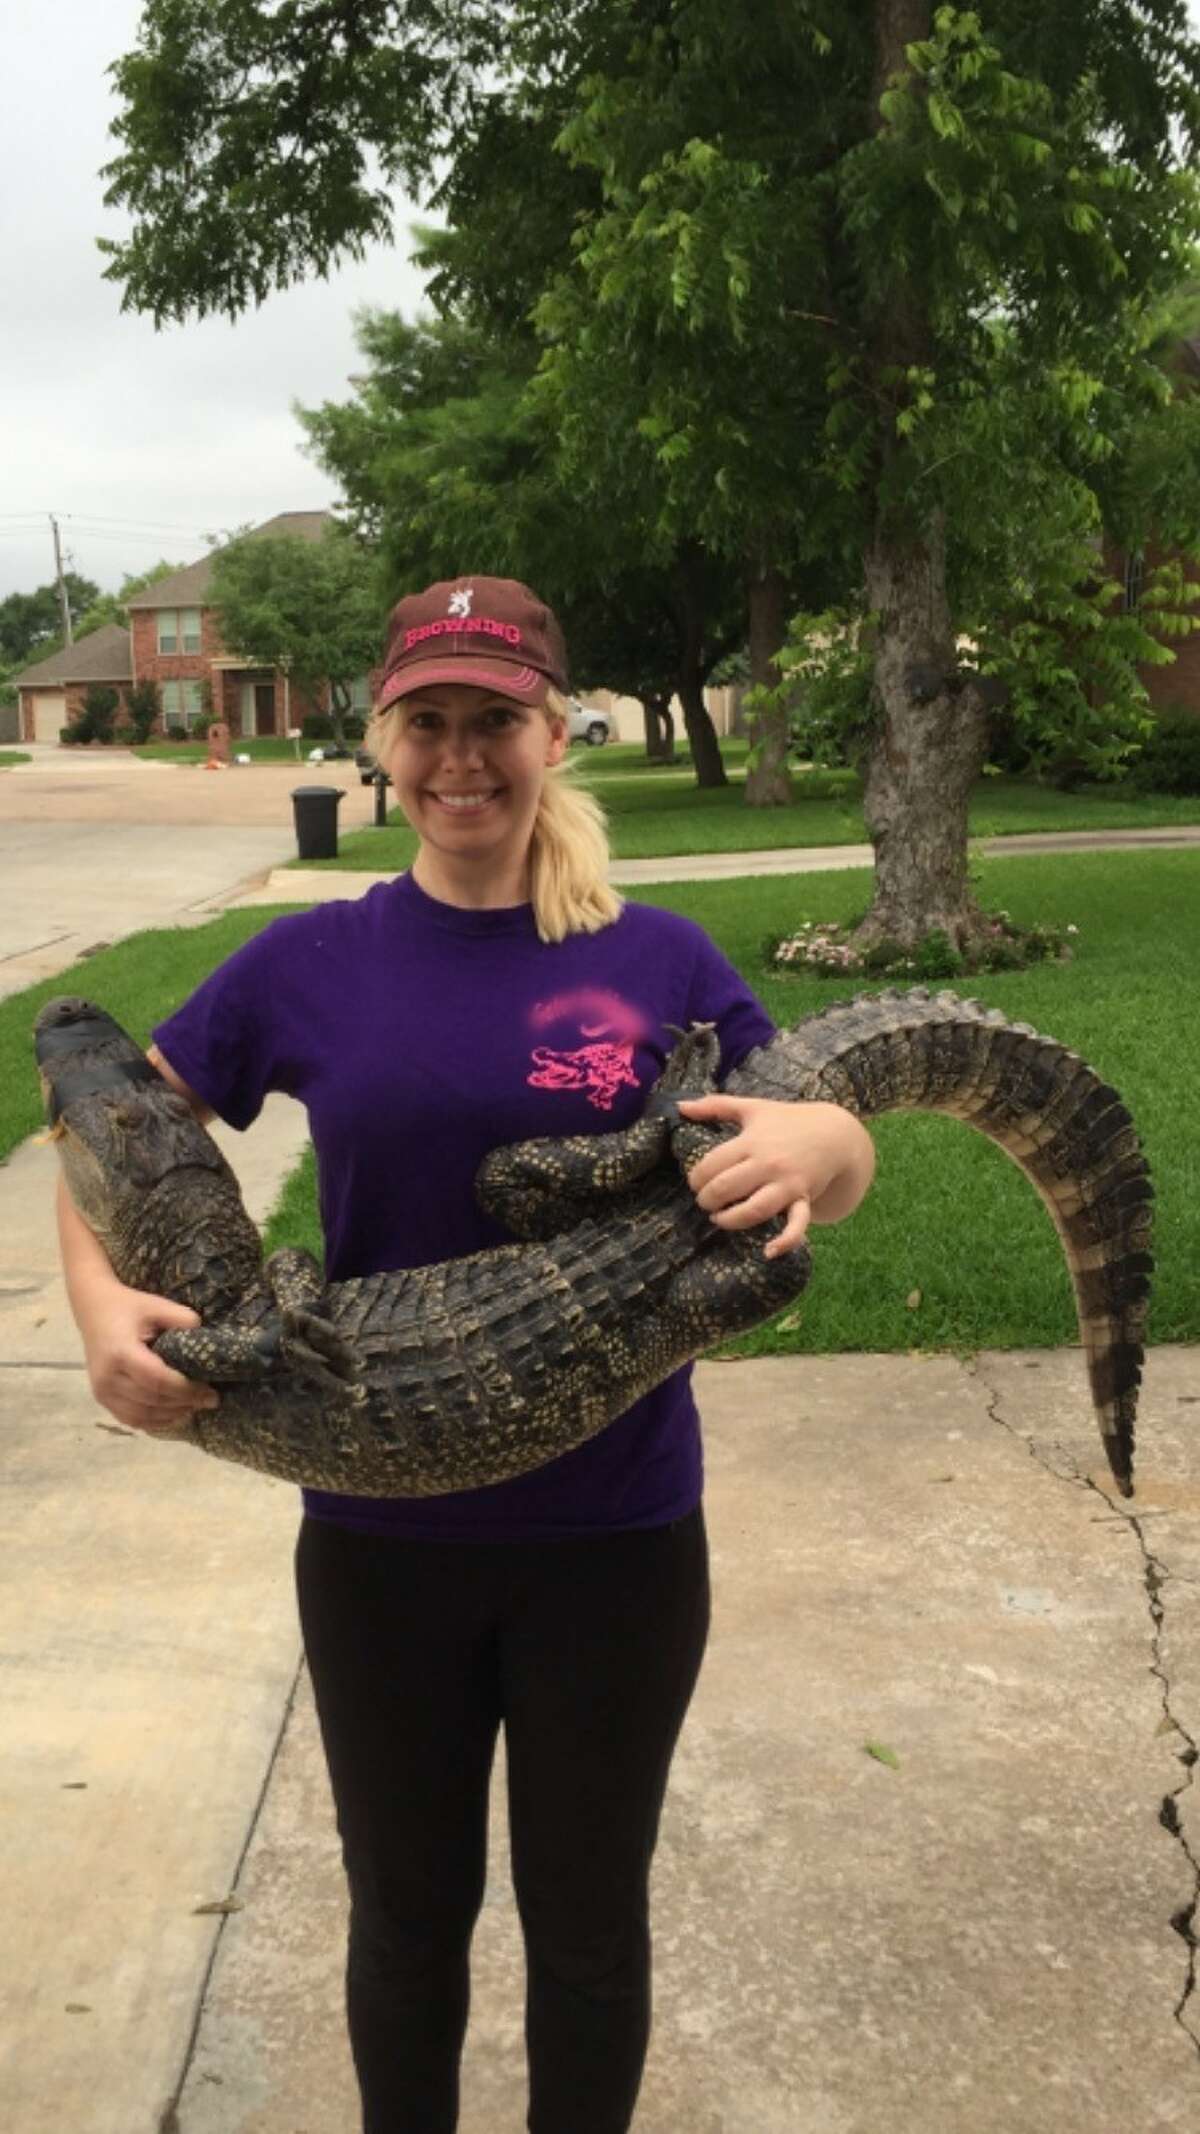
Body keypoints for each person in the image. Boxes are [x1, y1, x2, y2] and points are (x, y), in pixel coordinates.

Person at [57, 576, 875, 2134]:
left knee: (585, 1929)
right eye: (426, 723)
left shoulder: (666, 961)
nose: (461, 759)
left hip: (618, 1540)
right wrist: (103, 1315)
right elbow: (106, 1142)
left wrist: (833, 1139)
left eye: (492, 720)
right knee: (406, 1920)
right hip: (378, 1551)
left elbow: (815, 1159)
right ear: (381, 745)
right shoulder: (310, 961)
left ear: (549, 732)